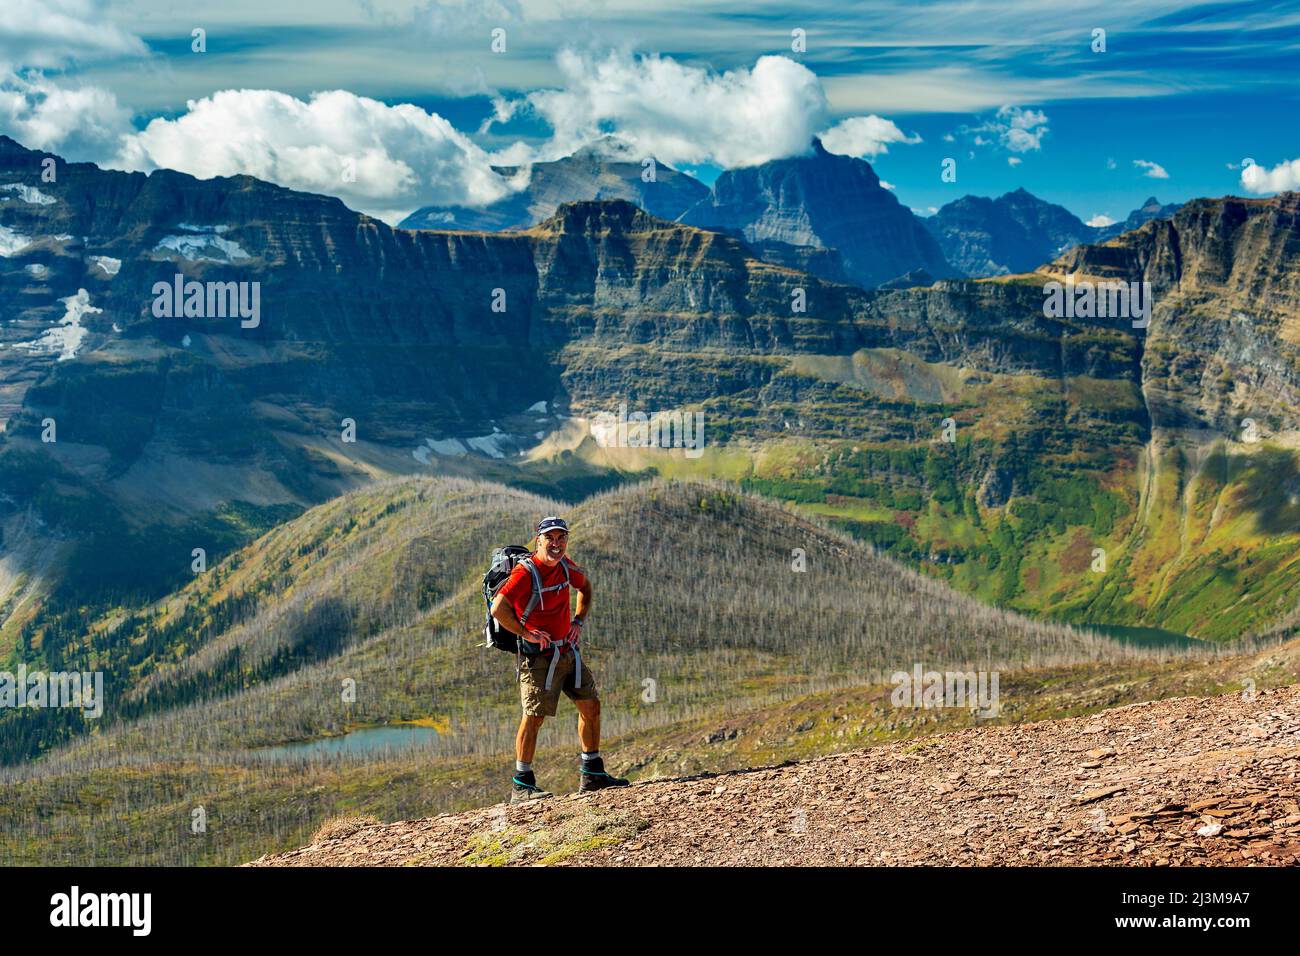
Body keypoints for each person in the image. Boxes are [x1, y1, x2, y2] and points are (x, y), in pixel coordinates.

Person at [491, 516, 630, 802]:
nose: (556, 544)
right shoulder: (525, 573)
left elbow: (586, 588)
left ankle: (592, 773)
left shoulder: (566, 566)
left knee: (590, 706)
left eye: (561, 538)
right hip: (537, 657)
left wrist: (577, 621)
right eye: (550, 538)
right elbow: (498, 608)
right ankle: (522, 784)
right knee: (534, 717)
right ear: (538, 541)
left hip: (567, 650)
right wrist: (526, 633)